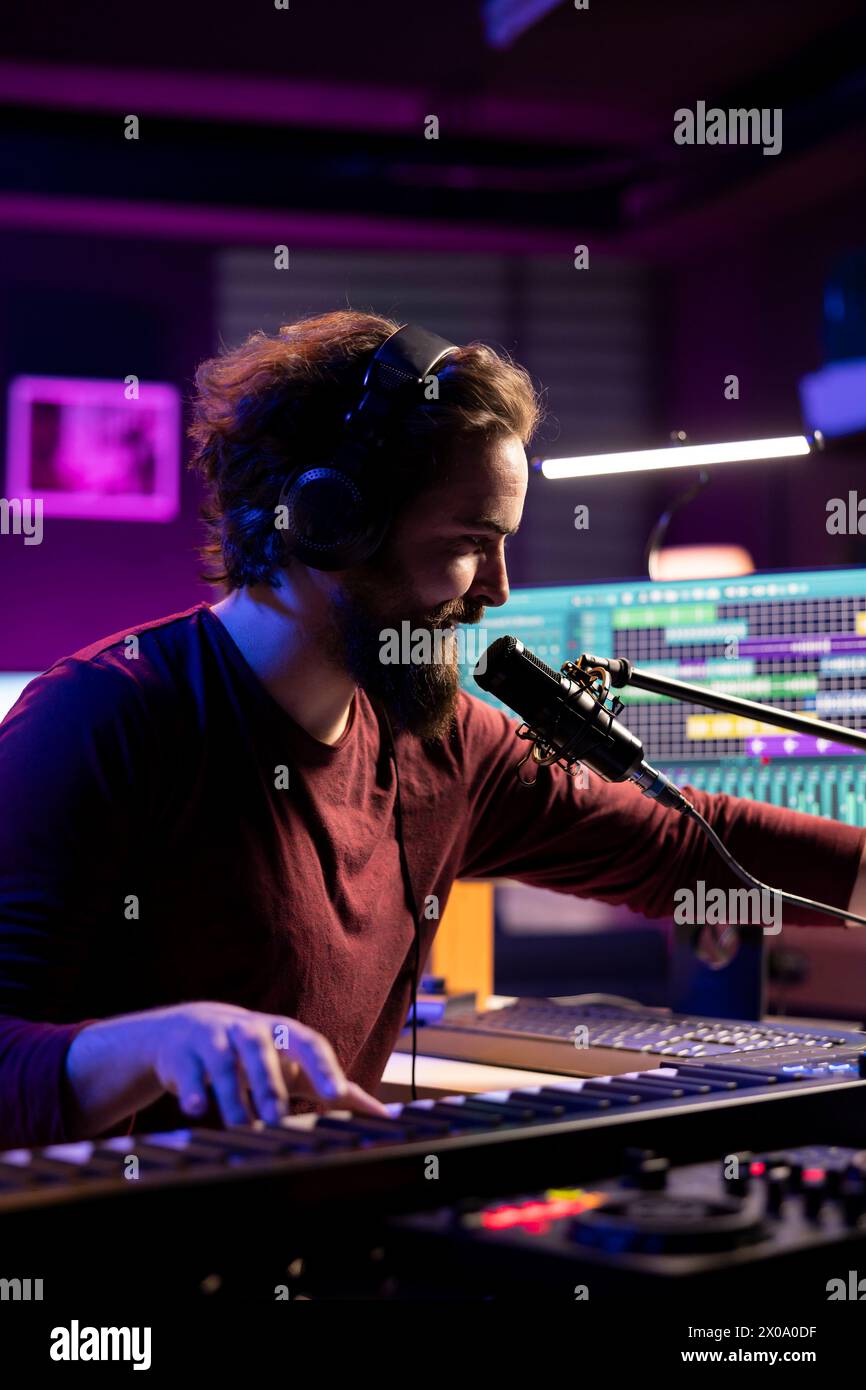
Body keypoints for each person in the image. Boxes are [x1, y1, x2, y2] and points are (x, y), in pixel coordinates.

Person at [1, 309, 864, 1149]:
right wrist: (151, 1045)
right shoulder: (100, 722)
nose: (497, 590)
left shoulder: (442, 742)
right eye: (468, 541)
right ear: (330, 522)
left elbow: (691, 849)